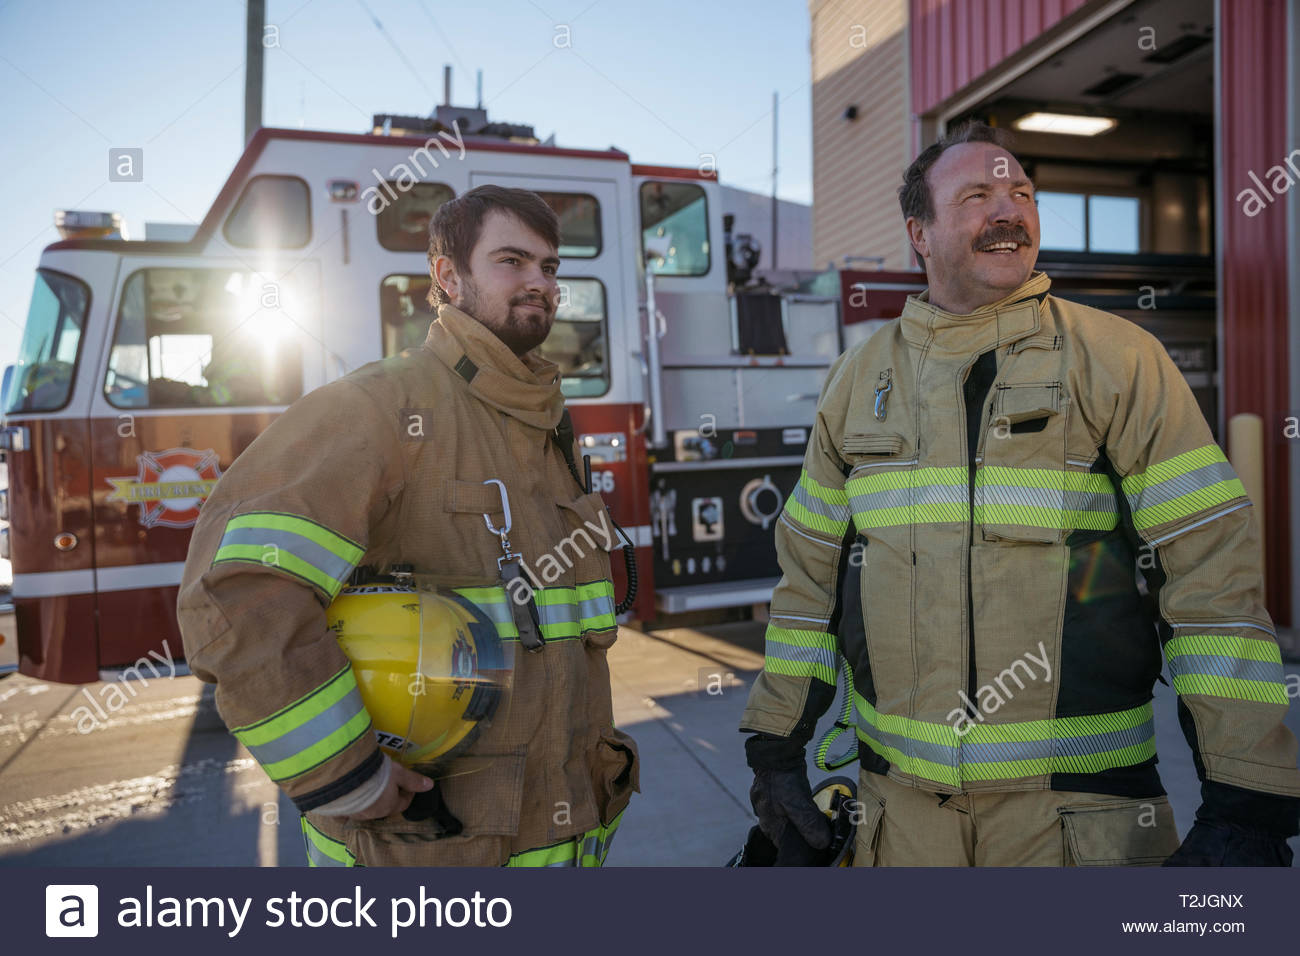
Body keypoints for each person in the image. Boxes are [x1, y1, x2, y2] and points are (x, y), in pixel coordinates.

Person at [740, 121, 1299, 866]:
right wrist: (776, 744)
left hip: (1078, 821)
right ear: (920, 233)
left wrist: (1248, 799)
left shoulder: (1120, 359)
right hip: (897, 821)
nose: (1009, 211)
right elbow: (808, 584)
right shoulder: (855, 380)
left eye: (1022, 193)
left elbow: (1211, 579)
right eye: (977, 195)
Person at [178, 185, 638, 867]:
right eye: (512, 261)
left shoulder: (546, 423)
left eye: (550, 267)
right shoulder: (380, 406)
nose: (539, 282)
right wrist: (343, 775)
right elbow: (237, 591)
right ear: (448, 277)